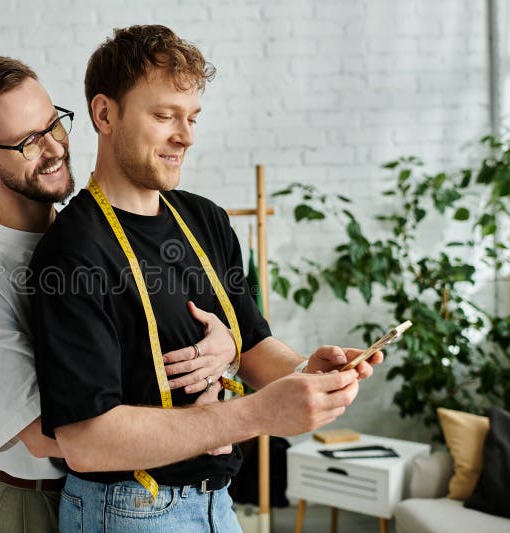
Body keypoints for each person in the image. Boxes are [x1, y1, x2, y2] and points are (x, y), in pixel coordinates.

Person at [28, 25, 384, 532]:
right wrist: (258, 414)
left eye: (191, 117)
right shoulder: (73, 252)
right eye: (163, 115)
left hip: (216, 503)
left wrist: (307, 372)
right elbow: (86, 442)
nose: (186, 136)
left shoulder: (206, 220)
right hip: (129, 511)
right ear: (104, 114)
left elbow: (254, 343)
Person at [0, 57, 239, 533]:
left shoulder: (90, 235)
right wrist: (202, 428)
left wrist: (226, 348)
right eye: (26, 142)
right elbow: (45, 436)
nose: (55, 147)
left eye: (53, 125)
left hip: (119, 490)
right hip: (29, 503)